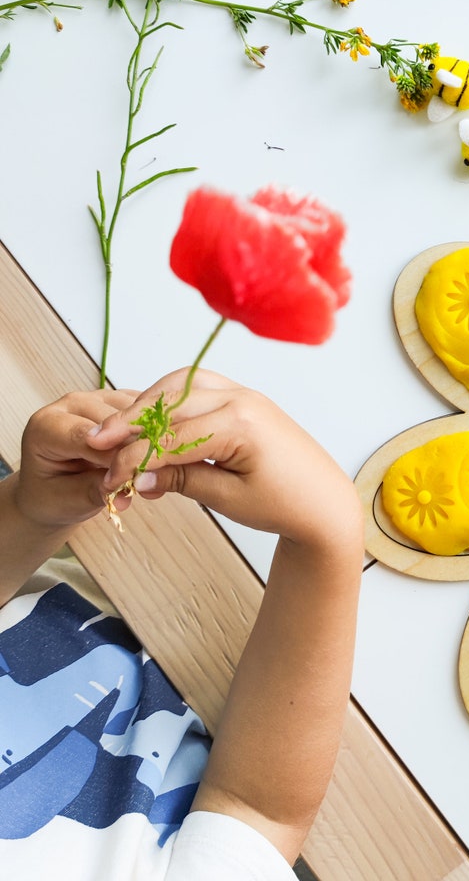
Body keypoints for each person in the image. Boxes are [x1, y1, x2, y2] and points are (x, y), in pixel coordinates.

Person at [0, 368, 365, 879]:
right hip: (234, 661)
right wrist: (329, 533)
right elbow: (257, 810)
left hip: (76, 540)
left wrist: (28, 509)